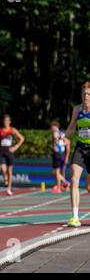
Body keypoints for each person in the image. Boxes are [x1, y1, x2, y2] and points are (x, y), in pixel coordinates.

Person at [64, 81, 90, 227]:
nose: (85, 96)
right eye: (83, 93)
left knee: (89, 187)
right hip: (80, 148)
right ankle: (75, 217)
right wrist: (64, 136)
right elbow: (71, 127)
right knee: (74, 179)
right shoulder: (77, 109)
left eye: (88, 94)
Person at [0, 115, 25, 196]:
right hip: (1, 150)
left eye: (7, 121)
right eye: (5, 121)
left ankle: (9, 188)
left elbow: (22, 138)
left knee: (9, 171)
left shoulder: (12, 130)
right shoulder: (0, 130)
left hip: (9, 150)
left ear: (10, 122)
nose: (6, 122)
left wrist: (16, 146)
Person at [50, 121, 71, 193]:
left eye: (52, 127)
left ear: (56, 127)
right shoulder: (59, 133)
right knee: (55, 172)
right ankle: (62, 184)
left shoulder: (57, 133)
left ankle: (60, 186)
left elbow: (67, 142)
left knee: (57, 171)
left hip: (58, 154)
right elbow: (66, 142)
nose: (51, 128)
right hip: (58, 154)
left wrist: (59, 144)